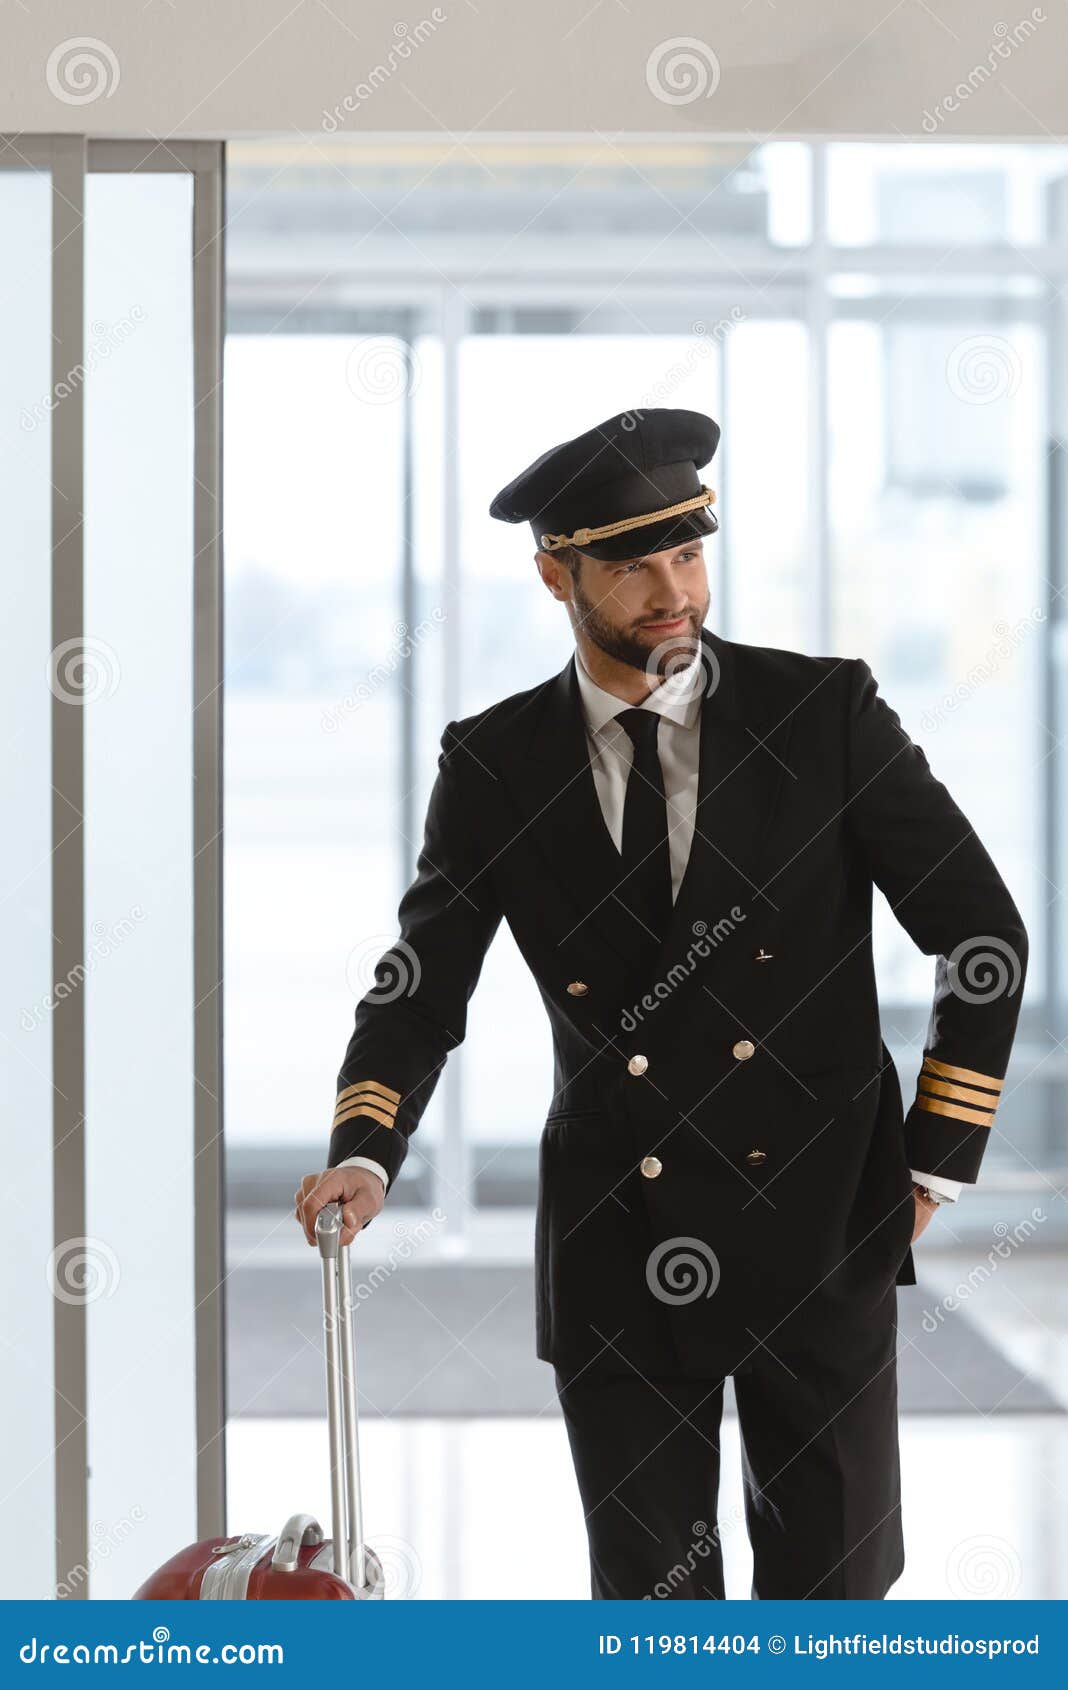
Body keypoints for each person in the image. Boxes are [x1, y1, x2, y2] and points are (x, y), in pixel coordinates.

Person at [295, 407, 1028, 1599]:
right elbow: (422, 980)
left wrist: (935, 1162)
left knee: (832, 1593)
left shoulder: (824, 715)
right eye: (632, 563)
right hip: (618, 1228)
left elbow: (981, 934)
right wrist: (365, 1147)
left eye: (686, 553)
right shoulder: (495, 763)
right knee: (649, 1606)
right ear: (556, 574)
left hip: (821, 1217)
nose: (670, 589)